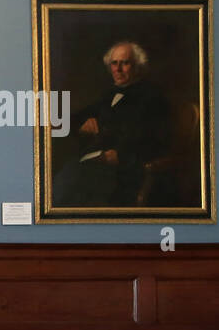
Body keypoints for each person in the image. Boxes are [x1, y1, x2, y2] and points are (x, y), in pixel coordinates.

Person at [54, 41, 172, 208]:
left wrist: (120, 156)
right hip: (97, 164)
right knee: (66, 176)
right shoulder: (109, 95)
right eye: (114, 63)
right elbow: (76, 117)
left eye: (125, 63)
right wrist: (83, 124)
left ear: (138, 66)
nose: (118, 69)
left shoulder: (151, 98)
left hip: (126, 172)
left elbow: (155, 142)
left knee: (71, 181)